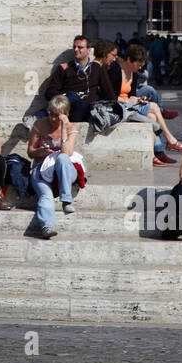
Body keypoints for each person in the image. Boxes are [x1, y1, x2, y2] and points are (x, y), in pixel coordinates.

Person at [109, 44, 182, 167]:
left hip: (130, 105)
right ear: (129, 60)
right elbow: (109, 95)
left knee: (152, 117)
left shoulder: (134, 74)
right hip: (119, 106)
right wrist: (125, 101)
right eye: (138, 64)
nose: (141, 67)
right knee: (154, 107)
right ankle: (170, 139)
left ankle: (152, 155)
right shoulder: (115, 71)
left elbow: (131, 95)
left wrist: (138, 99)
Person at [27, 96, 79, 239]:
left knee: (62, 157)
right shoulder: (39, 125)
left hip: (65, 169)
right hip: (43, 168)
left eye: (57, 115)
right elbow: (30, 152)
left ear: (65, 115)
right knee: (45, 195)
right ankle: (47, 226)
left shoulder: (71, 128)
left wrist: (63, 128)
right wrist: (40, 152)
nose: (52, 118)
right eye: (50, 113)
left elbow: (67, 153)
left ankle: (66, 199)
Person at [44, 34, 114, 122]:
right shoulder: (64, 68)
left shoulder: (98, 68)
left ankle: (41, 115)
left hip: (85, 109)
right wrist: (65, 97)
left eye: (80, 47)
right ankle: (41, 116)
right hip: (67, 109)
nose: (76, 50)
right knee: (71, 95)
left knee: (77, 100)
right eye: (74, 47)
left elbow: (109, 93)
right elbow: (49, 92)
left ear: (89, 50)